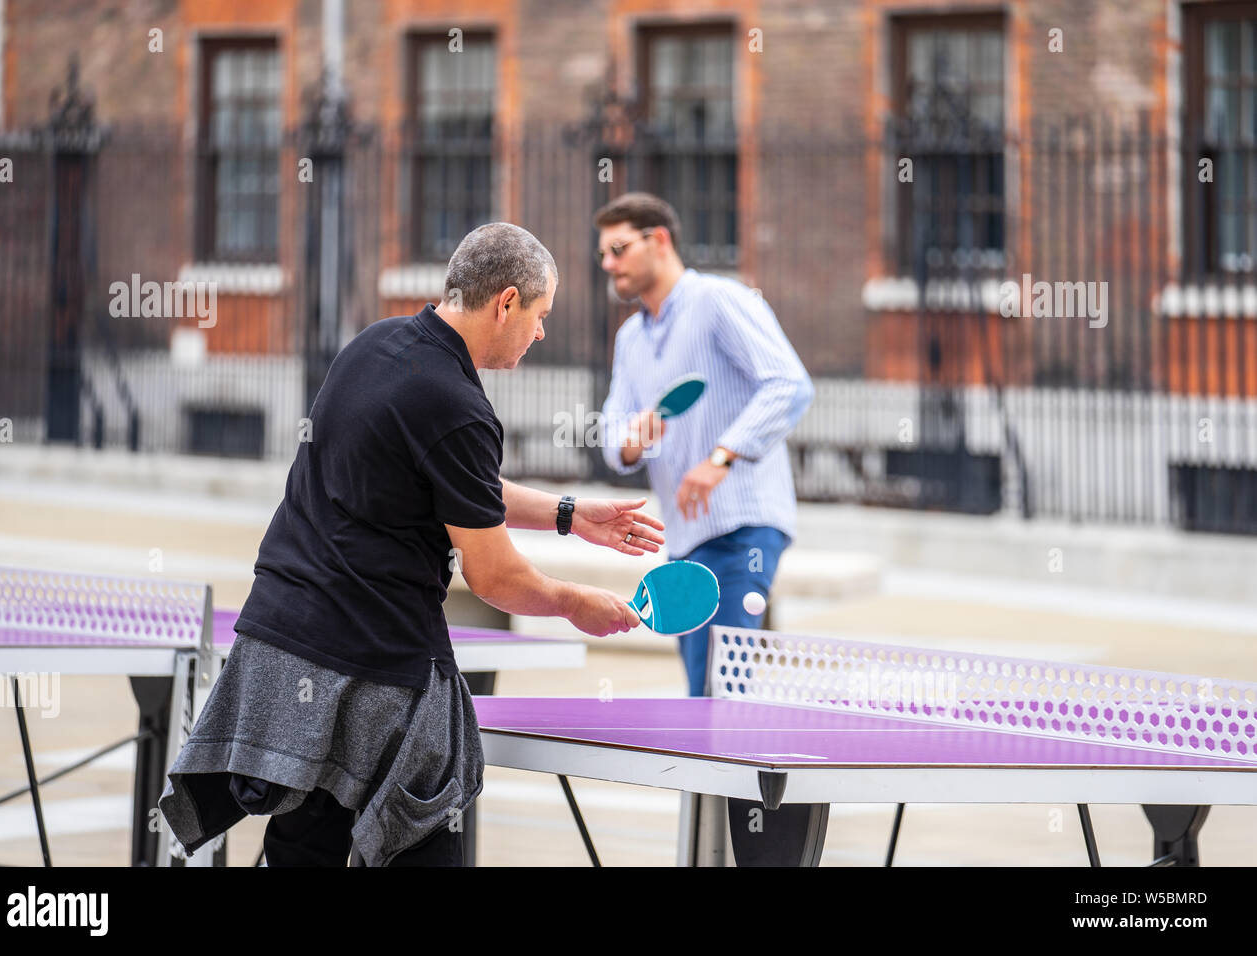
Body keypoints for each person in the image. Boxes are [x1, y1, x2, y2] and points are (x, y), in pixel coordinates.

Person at [159, 222, 662, 867]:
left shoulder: (376, 345)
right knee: (421, 849)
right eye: (540, 314)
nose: (541, 332)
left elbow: (451, 482)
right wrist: (574, 603)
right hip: (369, 674)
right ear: (506, 302)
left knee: (305, 850)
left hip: (279, 653)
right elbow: (493, 576)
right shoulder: (458, 406)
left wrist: (569, 515)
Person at [596, 192, 814, 697]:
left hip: (744, 529)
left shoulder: (719, 300)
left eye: (620, 248)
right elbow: (612, 435)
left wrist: (721, 457)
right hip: (685, 542)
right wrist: (632, 442)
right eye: (603, 254)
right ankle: (721, 776)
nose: (609, 263)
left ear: (660, 241)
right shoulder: (630, 338)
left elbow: (789, 384)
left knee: (720, 687)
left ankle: (731, 776)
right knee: (704, 690)